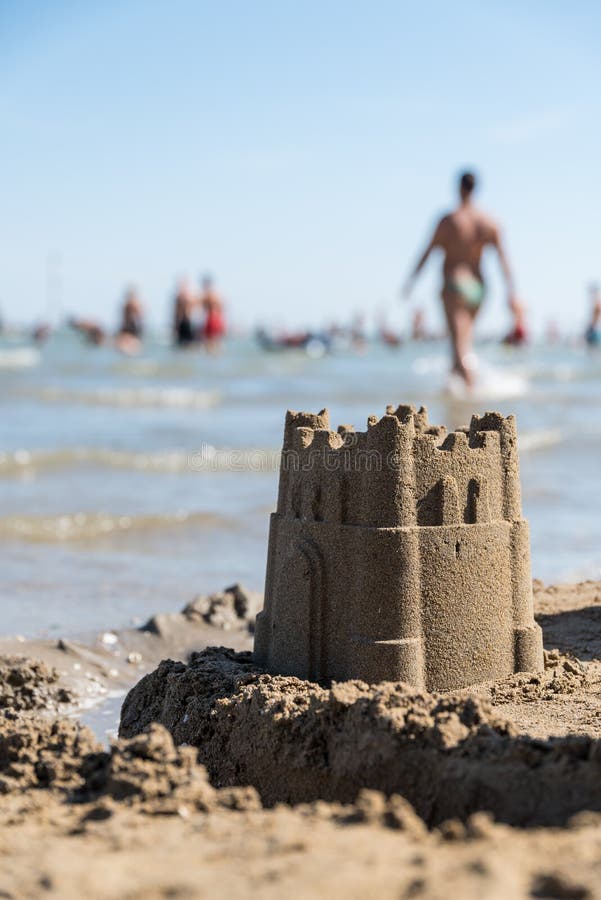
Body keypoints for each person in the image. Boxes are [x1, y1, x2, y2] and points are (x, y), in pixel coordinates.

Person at [403, 171, 516, 388]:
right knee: (461, 342)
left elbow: (426, 253)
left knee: (460, 346)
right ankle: (455, 402)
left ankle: (470, 397)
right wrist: (512, 292)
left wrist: (411, 281)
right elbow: (504, 261)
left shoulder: (449, 220)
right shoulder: (489, 222)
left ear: (458, 188)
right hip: (479, 288)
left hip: (455, 285)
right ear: (475, 189)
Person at [199, 275, 226, 349]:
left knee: (210, 344)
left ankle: (211, 358)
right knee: (215, 344)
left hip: (212, 320)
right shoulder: (217, 295)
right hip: (216, 319)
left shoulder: (208, 295)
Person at [173, 279, 196, 347]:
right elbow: (177, 312)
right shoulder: (179, 297)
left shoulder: (189, 297)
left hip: (188, 321)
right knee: (182, 343)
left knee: (189, 343)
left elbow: (194, 310)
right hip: (183, 321)